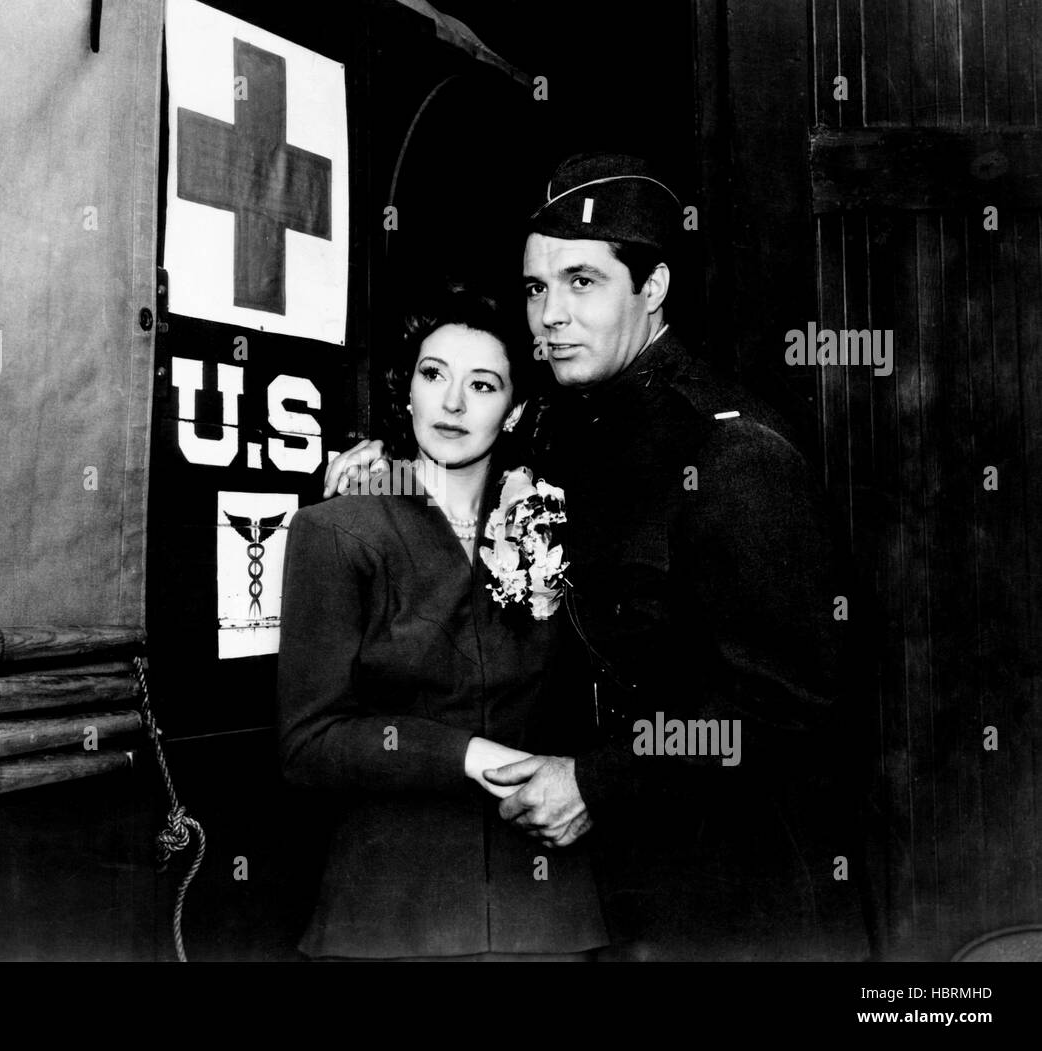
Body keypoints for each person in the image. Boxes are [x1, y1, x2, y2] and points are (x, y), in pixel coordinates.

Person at [323, 154, 872, 961]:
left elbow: (787, 706)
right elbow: (463, 469)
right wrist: (376, 474)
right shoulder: (561, 421)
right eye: (537, 288)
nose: (550, 315)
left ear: (652, 291)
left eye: (583, 282)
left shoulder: (731, 450)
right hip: (610, 893)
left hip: (744, 898)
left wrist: (595, 781)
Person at [277, 284, 608, 960]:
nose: (452, 404)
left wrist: (593, 781)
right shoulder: (337, 529)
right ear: (408, 393)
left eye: (482, 385)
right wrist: (467, 755)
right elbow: (307, 742)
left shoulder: (559, 529)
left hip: (542, 913)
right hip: (387, 914)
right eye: (434, 376)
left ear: (514, 411)